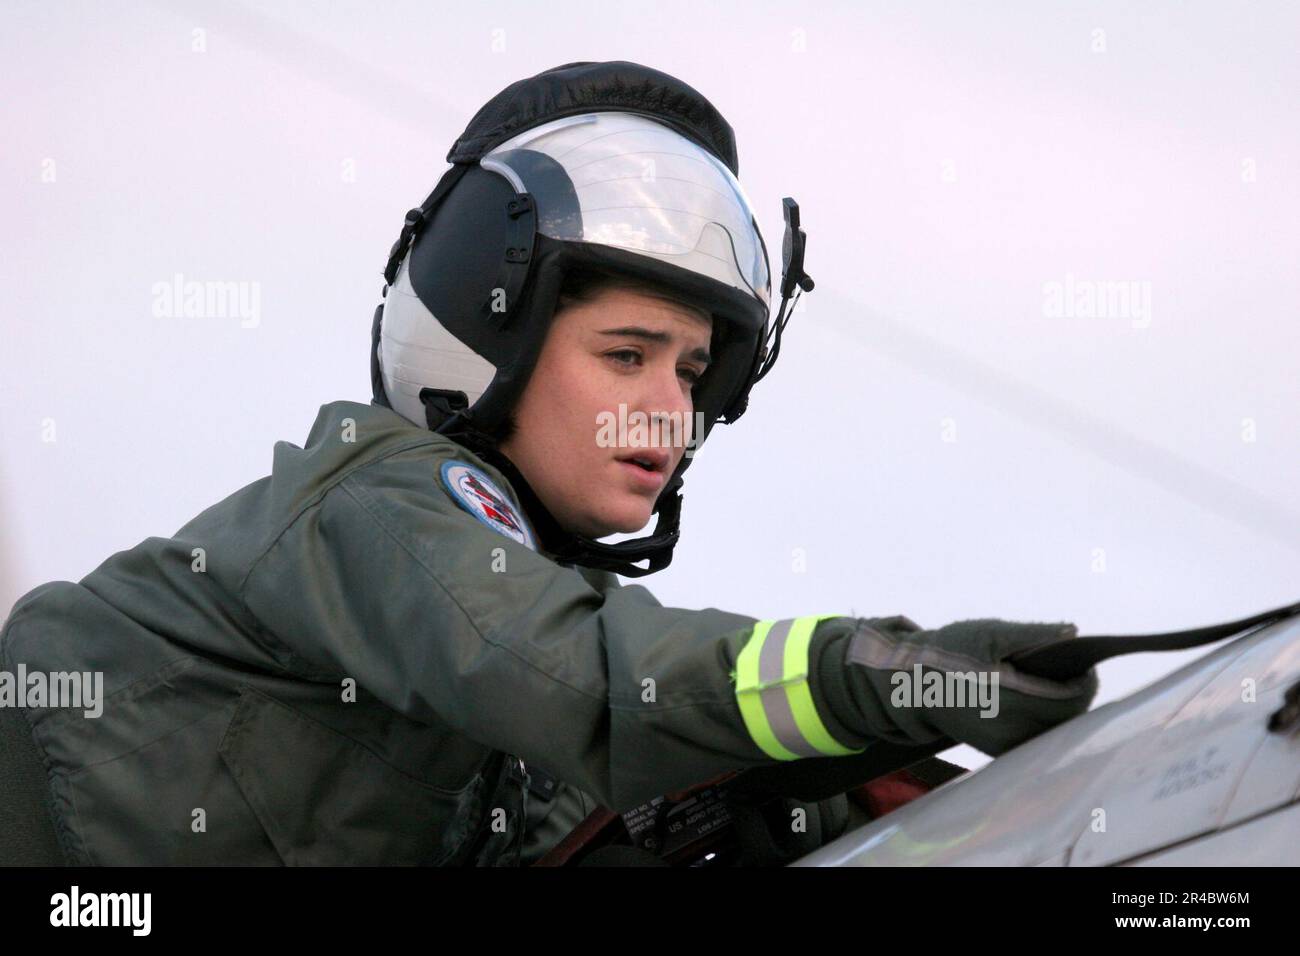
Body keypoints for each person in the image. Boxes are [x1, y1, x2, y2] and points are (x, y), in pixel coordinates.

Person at [0, 61, 1097, 867]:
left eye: (694, 374)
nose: (670, 415)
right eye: (626, 355)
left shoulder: (523, 727)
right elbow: (583, 676)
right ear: (483, 341)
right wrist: (871, 671)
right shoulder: (375, 502)